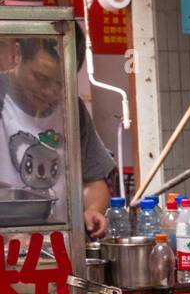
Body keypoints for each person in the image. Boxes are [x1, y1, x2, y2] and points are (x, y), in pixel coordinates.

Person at [0, 25, 115, 237]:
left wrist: (92, 210)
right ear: (17, 54)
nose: (49, 92)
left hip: (57, 247)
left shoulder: (72, 109)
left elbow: (93, 181)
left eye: (60, 82)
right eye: (40, 77)